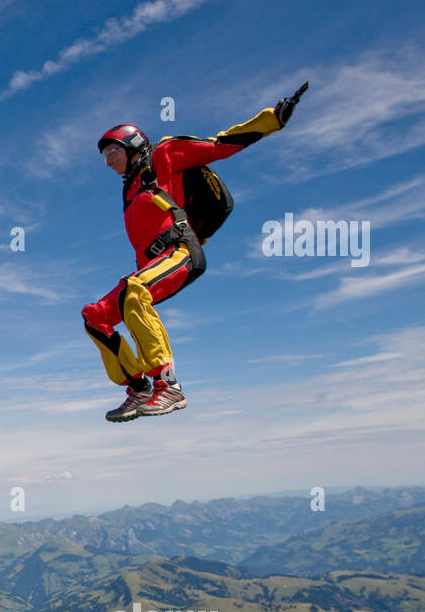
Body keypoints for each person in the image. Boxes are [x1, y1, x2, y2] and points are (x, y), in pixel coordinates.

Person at [83, 84, 307, 421]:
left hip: (180, 251)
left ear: (132, 144)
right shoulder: (130, 188)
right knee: (95, 316)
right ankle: (139, 387)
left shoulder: (164, 155)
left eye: (111, 150)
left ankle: (168, 385)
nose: (107, 160)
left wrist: (272, 120)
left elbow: (218, 146)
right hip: (153, 265)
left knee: (134, 291)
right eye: (104, 155)